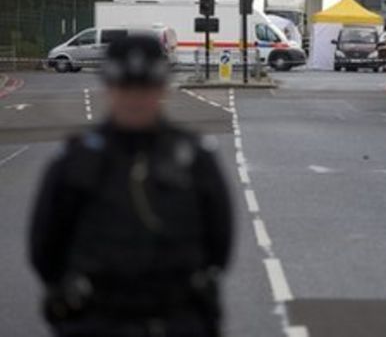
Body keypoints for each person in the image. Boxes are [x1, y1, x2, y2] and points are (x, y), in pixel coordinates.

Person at [29, 35, 234, 337]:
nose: (135, 98)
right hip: (97, 321)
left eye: (146, 87)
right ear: (108, 88)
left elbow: (220, 246)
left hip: (176, 320)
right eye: (125, 86)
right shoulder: (75, 163)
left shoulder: (194, 160)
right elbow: (44, 250)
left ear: (163, 88)